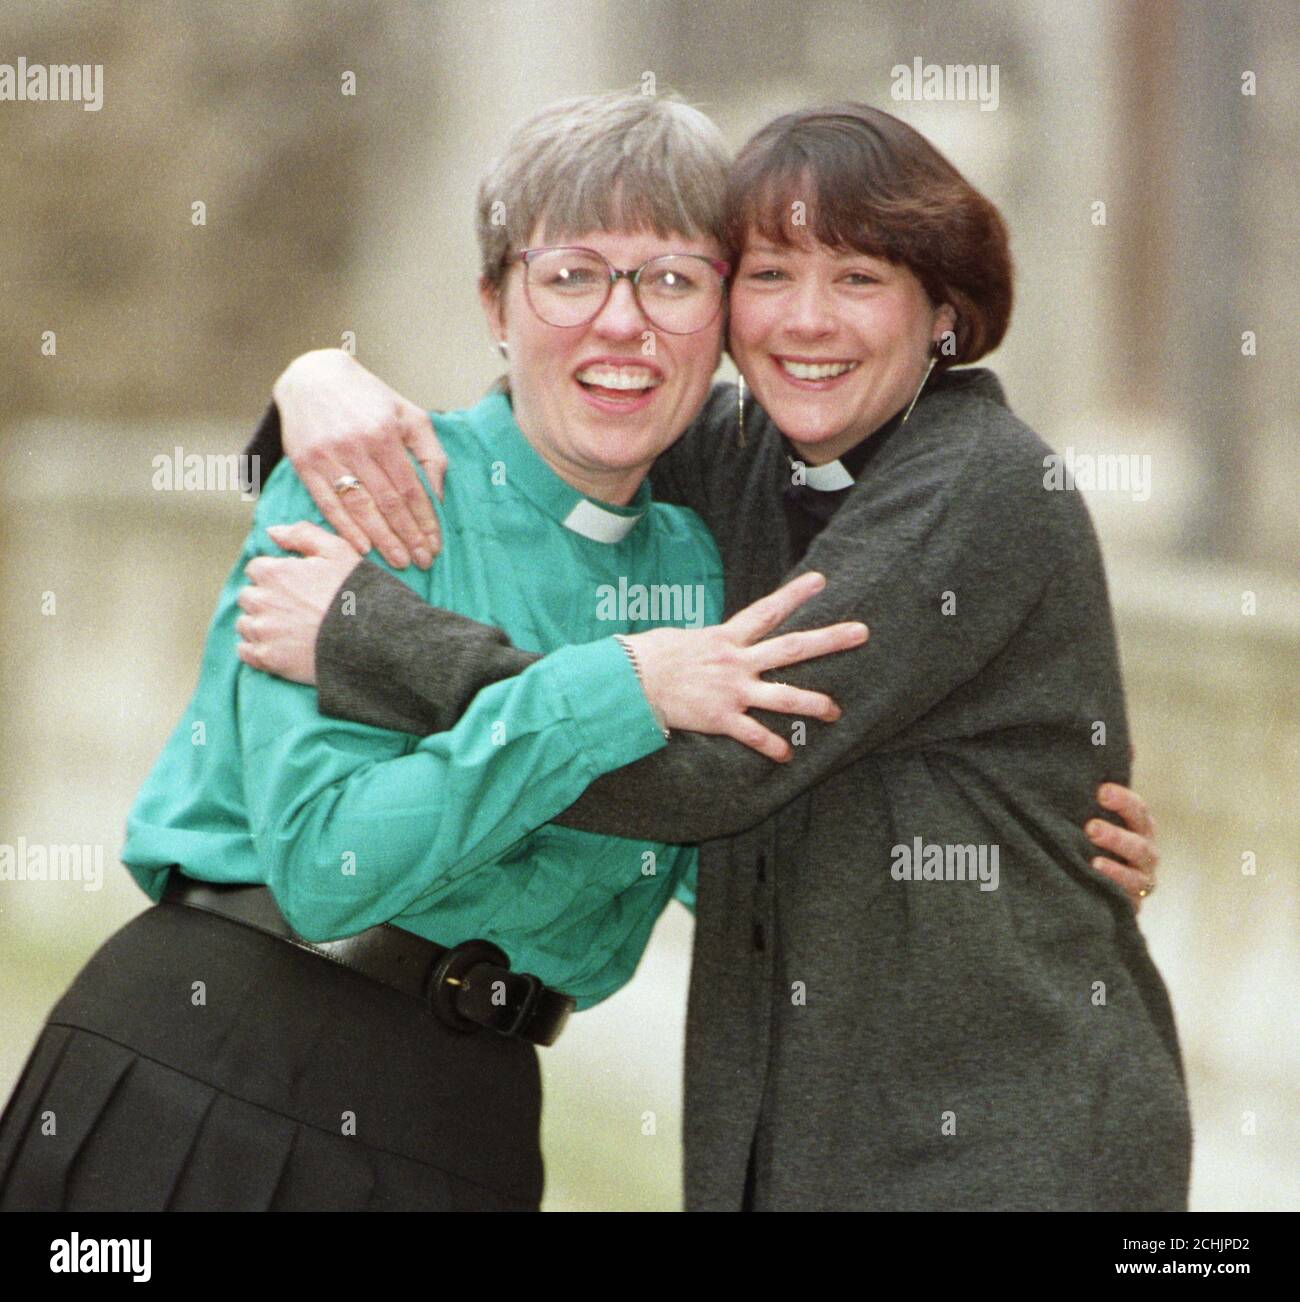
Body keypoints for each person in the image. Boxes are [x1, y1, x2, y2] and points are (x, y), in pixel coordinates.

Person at [238, 102, 1189, 1210]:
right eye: (772, 275)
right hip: (797, 1134)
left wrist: (373, 639)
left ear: (943, 311)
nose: (807, 322)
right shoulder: (743, 455)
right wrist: (310, 382)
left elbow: (711, 770)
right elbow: (547, 418)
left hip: (1003, 1144)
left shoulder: (973, 483)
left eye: (861, 279)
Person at [0, 93, 869, 1213]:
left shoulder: (711, 578)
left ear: (723, 319)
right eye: (570, 274)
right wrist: (618, 690)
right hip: (208, 1075)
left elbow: (765, 864)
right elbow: (327, 867)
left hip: (472, 1121)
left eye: (671, 277)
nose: (622, 322)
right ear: (495, 305)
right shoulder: (372, 481)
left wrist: (1036, 827)